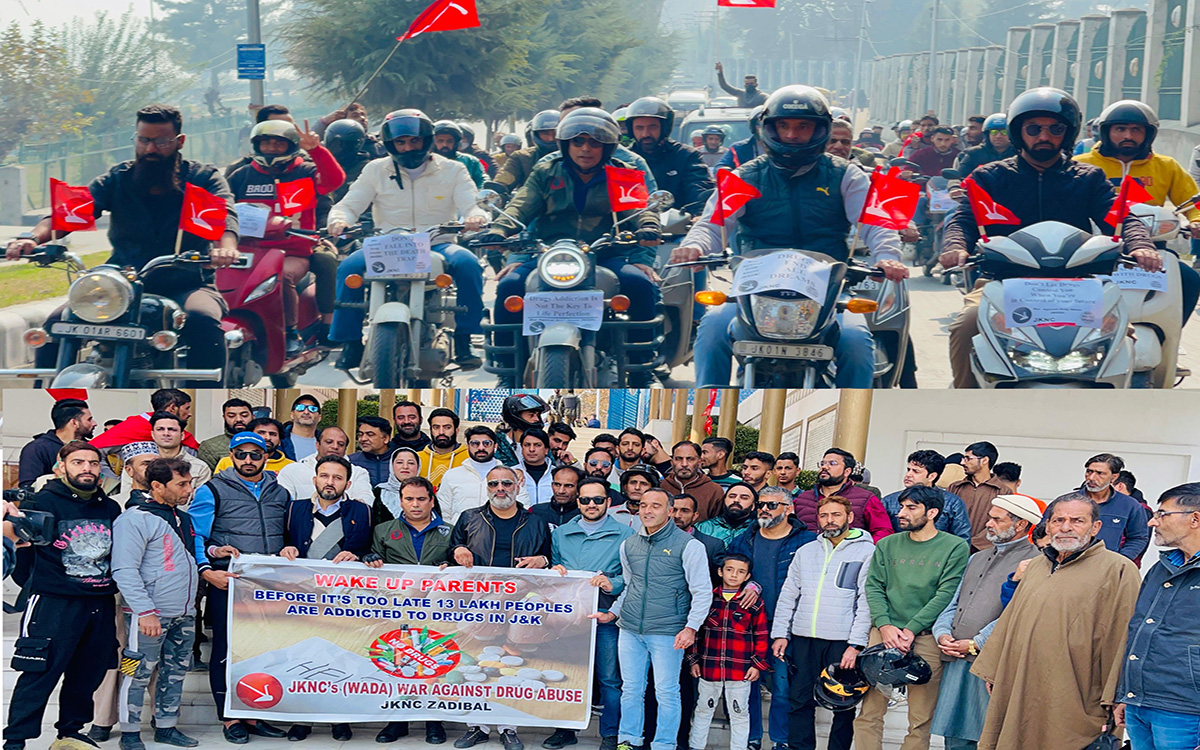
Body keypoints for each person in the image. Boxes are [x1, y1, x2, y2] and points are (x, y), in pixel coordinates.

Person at [672, 86, 908, 388]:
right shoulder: (745, 176)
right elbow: (713, 223)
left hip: (825, 290)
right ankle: (710, 406)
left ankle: (850, 415)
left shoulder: (847, 175)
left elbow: (876, 222)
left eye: (803, 127)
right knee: (712, 328)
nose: (792, 135)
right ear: (769, 129)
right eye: (783, 126)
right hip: (754, 289)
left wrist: (888, 256)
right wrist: (693, 246)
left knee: (857, 342)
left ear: (820, 129)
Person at [940, 88, 1161, 389]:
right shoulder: (989, 177)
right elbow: (963, 219)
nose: (1044, 136)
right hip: (1003, 284)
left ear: (1067, 134)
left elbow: (1121, 217)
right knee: (966, 325)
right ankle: (963, 405)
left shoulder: (1089, 177)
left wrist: (1141, 245)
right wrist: (955, 246)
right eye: (1034, 129)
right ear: (1019, 133)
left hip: (1080, 287)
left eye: (1055, 129)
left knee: (1124, 337)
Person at [5, 106, 237, 382]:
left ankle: (207, 394)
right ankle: (49, 397)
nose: (151, 148)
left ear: (179, 141)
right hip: (119, 279)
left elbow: (225, 218)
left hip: (185, 278)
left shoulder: (202, 178)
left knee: (202, 319)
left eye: (161, 141)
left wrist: (227, 247)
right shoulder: (118, 178)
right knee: (59, 321)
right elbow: (70, 212)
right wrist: (30, 238)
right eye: (144, 140)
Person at [474, 108, 662, 386]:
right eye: (577, 142)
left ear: (607, 146)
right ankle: (507, 372)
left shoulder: (624, 172)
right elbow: (522, 204)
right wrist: (499, 229)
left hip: (603, 252)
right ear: (565, 144)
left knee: (639, 285)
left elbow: (640, 207)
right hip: (548, 252)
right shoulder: (546, 170)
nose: (585, 149)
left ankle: (640, 370)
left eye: (594, 143)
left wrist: (649, 227)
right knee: (510, 286)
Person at [970, 494, 1140, 750]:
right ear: (1047, 526)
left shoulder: (1118, 570)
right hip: (1020, 682)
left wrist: (1115, 695)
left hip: (1076, 689)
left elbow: (1124, 637)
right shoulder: (1036, 566)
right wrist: (996, 669)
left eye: (1077, 520)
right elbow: (1011, 620)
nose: (1066, 527)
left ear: (1095, 527)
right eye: (1058, 520)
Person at [326, 109, 488, 371]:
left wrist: (476, 215)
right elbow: (349, 204)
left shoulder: (453, 169)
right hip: (388, 244)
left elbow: (471, 202)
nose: (407, 147)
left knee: (469, 264)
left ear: (427, 140)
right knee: (347, 268)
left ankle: (464, 338)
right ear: (391, 145)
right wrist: (339, 220)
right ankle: (351, 342)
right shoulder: (375, 169)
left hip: (438, 242)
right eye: (400, 142)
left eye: (414, 141)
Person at [2, 442, 122, 750]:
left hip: (99, 602)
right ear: (61, 466)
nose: (86, 468)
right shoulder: (41, 503)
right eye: (78, 462)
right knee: (38, 673)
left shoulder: (110, 508)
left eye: (93, 463)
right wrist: (40, 585)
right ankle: (16, 740)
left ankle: (70, 732)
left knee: (88, 673)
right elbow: (22, 555)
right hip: (54, 602)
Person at [189, 433, 290, 744]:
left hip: (267, 585)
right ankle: (229, 716)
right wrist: (206, 570)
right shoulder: (213, 490)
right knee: (226, 650)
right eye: (241, 454)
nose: (248, 460)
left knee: (262, 649)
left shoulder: (280, 492)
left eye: (255, 454)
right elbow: (196, 536)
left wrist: (289, 549)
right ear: (231, 455)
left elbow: (283, 533)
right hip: (228, 582)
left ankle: (253, 713)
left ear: (266, 455)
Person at [592, 488, 711, 750]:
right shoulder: (629, 545)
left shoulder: (689, 545)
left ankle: (665, 744)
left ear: (669, 511)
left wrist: (691, 628)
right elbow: (631, 585)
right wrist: (612, 613)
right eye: (643, 505)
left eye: (655, 506)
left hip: (668, 630)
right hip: (630, 629)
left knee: (667, 693)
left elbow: (702, 592)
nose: (647, 510)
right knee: (631, 690)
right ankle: (628, 740)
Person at [853, 486, 970, 750]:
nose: (901, 513)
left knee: (920, 717)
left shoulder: (955, 547)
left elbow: (946, 593)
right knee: (869, 712)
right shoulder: (886, 544)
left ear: (932, 513)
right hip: (883, 634)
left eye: (911, 507)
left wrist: (911, 629)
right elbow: (873, 586)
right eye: (902, 506)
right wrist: (884, 625)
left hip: (926, 637)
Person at [929, 494, 1042, 750]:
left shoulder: (1036, 563)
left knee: (987, 736)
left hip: (993, 664)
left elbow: (1017, 613)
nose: (988, 524)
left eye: (996, 519)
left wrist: (976, 642)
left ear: (1021, 524)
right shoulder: (977, 557)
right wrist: (942, 633)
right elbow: (954, 603)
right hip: (956, 658)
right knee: (955, 737)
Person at [1074, 99, 1200, 326]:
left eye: (1136, 130)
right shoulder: (1081, 164)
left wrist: (1196, 221)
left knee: (1189, 279)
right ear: (1106, 131)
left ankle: (1168, 335)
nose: (1128, 136)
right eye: (1120, 129)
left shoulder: (1166, 166)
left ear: (1148, 134)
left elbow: (1193, 203)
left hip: (1152, 250)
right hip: (1093, 249)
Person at [450, 465, 550, 750]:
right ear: (487, 487)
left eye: (506, 483)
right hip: (479, 602)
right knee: (478, 662)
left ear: (517, 485)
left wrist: (541, 561)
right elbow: (451, 549)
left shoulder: (536, 521)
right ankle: (476, 726)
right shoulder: (470, 518)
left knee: (510, 666)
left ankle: (508, 727)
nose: (500, 489)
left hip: (520, 603)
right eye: (493, 484)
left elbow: (552, 559)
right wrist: (457, 550)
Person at [226, 119, 345, 354]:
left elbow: (334, 181)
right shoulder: (241, 175)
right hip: (249, 250)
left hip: (294, 250)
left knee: (283, 276)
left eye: (278, 144)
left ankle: (291, 332)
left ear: (290, 146)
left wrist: (316, 150)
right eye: (265, 143)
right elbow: (223, 207)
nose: (270, 148)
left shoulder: (306, 170)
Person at [276, 455, 369, 743]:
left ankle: (338, 718)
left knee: (341, 656)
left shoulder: (362, 511)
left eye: (338, 477)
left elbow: (368, 550)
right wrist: (286, 549)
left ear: (347, 483)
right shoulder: (294, 509)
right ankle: (302, 719)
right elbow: (283, 541)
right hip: (303, 596)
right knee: (303, 656)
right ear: (315, 478)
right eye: (325, 476)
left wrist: (358, 556)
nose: (331, 482)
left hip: (344, 599)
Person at [770, 495, 874, 750]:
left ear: (849, 517)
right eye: (824, 515)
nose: (830, 520)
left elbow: (867, 601)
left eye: (836, 514)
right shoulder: (807, 551)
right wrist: (780, 633)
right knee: (799, 699)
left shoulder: (867, 551)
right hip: (805, 637)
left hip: (842, 641)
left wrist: (856, 644)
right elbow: (789, 594)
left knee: (843, 704)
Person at [110, 456, 200, 750]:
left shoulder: (182, 517)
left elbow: (183, 559)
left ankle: (166, 726)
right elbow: (124, 569)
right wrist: (144, 611)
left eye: (189, 483)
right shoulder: (134, 518)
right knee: (136, 673)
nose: (189, 490)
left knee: (174, 674)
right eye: (182, 484)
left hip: (183, 613)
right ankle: (129, 732)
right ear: (158, 486)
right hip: (148, 614)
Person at [546, 477, 635, 750]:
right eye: (585, 500)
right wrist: (554, 572)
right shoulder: (560, 533)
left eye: (598, 499)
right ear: (578, 502)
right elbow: (555, 569)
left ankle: (610, 733)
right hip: (568, 617)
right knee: (568, 674)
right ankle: (565, 729)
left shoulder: (626, 535)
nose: (591, 504)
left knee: (609, 679)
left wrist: (613, 583)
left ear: (609, 502)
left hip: (605, 614)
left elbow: (630, 576)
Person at [360, 475, 451, 744]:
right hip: (397, 609)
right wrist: (370, 559)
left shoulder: (450, 530)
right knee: (398, 665)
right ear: (400, 500)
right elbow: (372, 570)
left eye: (421, 499)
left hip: (436, 610)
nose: (415, 504)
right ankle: (397, 721)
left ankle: (434, 721)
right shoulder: (383, 530)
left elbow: (460, 563)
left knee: (434, 663)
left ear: (431, 500)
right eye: (409, 499)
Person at [726, 486, 816, 750]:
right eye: (761, 504)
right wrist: (749, 583)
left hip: (785, 628)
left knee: (782, 687)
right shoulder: (745, 538)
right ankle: (750, 738)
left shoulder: (806, 541)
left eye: (772, 505)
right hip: (748, 627)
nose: (764, 509)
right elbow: (728, 564)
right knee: (746, 687)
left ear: (789, 509)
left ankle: (780, 741)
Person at [1115, 482, 1200, 749]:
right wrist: (1126, 694)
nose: (1153, 522)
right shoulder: (1161, 568)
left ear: (1195, 518)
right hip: (1141, 701)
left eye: (1163, 514)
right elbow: (1139, 630)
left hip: (1186, 708)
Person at [684, 553, 769, 750]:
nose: (733, 575)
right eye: (729, 570)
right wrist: (693, 659)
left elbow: (761, 635)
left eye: (740, 572)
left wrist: (757, 664)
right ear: (720, 571)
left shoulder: (754, 603)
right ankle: (695, 746)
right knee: (703, 709)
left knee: (739, 713)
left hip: (740, 670)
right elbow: (696, 632)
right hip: (709, 667)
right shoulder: (708, 599)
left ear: (747, 577)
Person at [624, 96, 714, 215]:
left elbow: (698, 189)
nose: (645, 134)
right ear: (631, 130)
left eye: (653, 127)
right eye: (639, 128)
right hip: (633, 225)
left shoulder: (686, 155)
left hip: (679, 226)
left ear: (664, 128)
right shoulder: (624, 159)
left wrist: (698, 214)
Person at [793, 448, 893, 542]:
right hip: (808, 555)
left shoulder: (865, 498)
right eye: (822, 463)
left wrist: (865, 550)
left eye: (832, 463)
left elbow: (883, 531)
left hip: (849, 556)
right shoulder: (803, 498)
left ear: (847, 471)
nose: (824, 467)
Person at [1067, 453, 1150, 562]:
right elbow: (1044, 530)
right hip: (1068, 564)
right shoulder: (1066, 502)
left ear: (1114, 477)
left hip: (1107, 568)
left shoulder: (1130, 506)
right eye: (1089, 471)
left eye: (1100, 473)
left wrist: (1119, 561)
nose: (1091, 477)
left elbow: (1138, 538)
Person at [440, 426, 530, 525]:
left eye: (486, 443)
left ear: (495, 446)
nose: (481, 447)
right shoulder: (452, 476)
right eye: (475, 443)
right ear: (467, 446)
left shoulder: (511, 475)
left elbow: (523, 507)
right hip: (462, 537)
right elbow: (444, 512)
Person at [880, 450, 972, 542]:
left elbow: (962, 539)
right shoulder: (889, 501)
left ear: (932, 476)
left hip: (938, 554)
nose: (908, 475)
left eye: (916, 471)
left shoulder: (952, 503)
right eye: (908, 470)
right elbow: (880, 533)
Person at [275, 426, 374, 505]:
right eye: (329, 442)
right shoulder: (292, 470)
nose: (335, 447)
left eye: (340, 444)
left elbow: (364, 500)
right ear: (317, 445)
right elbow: (282, 503)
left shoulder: (358, 473)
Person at [91, 390, 199, 457]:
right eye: (187, 408)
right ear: (173, 408)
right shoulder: (133, 426)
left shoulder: (186, 438)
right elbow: (93, 451)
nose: (190, 414)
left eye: (171, 430)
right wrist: (116, 482)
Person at [19, 399, 95, 486]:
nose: (94, 423)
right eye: (89, 420)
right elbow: (29, 488)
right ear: (74, 423)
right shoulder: (37, 448)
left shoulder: (91, 448)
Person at [485, 110, 561, 197]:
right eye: (545, 133)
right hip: (530, 205)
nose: (551, 138)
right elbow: (505, 179)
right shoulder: (521, 157)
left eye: (555, 133)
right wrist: (496, 193)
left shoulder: (576, 155)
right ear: (535, 134)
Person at [948, 442, 1007, 552]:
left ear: (985, 460)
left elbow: (1001, 523)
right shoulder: (955, 487)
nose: (962, 463)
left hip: (982, 552)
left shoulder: (1003, 492)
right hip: (950, 549)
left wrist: (971, 545)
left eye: (968, 459)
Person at [662, 440, 725, 523]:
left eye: (690, 459)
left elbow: (717, 525)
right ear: (672, 462)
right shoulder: (662, 486)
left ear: (699, 462)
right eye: (679, 459)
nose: (684, 464)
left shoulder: (714, 491)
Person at [146, 412, 211, 489]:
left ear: (182, 435)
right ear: (152, 434)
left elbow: (200, 499)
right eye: (160, 429)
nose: (166, 433)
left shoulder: (200, 467)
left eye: (172, 429)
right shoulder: (142, 464)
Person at [668, 494, 726, 576]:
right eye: (674, 510)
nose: (677, 515)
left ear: (695, 516)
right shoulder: (654, 539)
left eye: (684, 511)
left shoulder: (712, 546)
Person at [213, 417, 293, 475]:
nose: (267, 438)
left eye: (273, 434)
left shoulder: (291, 466)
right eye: (261, 432)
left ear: (279, 441)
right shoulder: (227, 462)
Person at [415, 408, 468, 489]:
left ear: (456, 431)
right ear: (430, 430)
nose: (441, 432)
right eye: (436, 427)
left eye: (447, 427)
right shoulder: (417, 459)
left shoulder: (468, 459)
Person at [312, 103, 387, 158]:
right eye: (355, 116)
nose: (362, 118)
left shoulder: (377, 141)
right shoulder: (334, 148)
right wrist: (325, 120)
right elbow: (309, 143)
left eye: (363, 115)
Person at [198, 399, 254, 471]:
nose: (239, 419)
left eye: (244, 415)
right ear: (224, 417)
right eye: (231, 416)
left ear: (253, 416)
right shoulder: (209, 446)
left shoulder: (264, 441)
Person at [495, 394, 549, 467]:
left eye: (538, 415)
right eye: (531, 415)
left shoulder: (542, 442)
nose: (537, 419)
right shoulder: (497, 444)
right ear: (515, 415)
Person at [431, 120, 486, 188]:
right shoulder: (424, 161)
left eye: (449, 141)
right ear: (433, 143)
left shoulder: (470, 161)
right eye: (440, 141)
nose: (445, 145)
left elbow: (482, 180)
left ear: (456, 143)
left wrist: (487, 188)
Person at [373, 447, 422, 523]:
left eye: (411, 463)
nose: (405, 467)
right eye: (399, 462)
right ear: (391, 466)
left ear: (418, 467)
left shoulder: (426, 492)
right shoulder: (378, 492)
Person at [714, 106, 765, 171]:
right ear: (753, 126)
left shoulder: (782, 148)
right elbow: (720, 168)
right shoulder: (738, 148)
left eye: (769, 124)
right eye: (759, 124)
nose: (764, 128)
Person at [348, 416, 393, 487]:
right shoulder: (350, 461)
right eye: (360, 434)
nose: (363, 439)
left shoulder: (400, 461)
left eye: (370, 435)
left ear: (386, 438)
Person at [516, 428, 555, 505]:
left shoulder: (557, 474)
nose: (531, 449)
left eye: (537, 445)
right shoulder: (511, 473)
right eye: (527, 445)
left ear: (546, 450)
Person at [283, 395, 322, 461]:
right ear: (292, 415)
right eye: (300, 408)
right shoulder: (279, 440)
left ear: (319, 417)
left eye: (312, 409)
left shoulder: (325, 443)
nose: (306, 412)